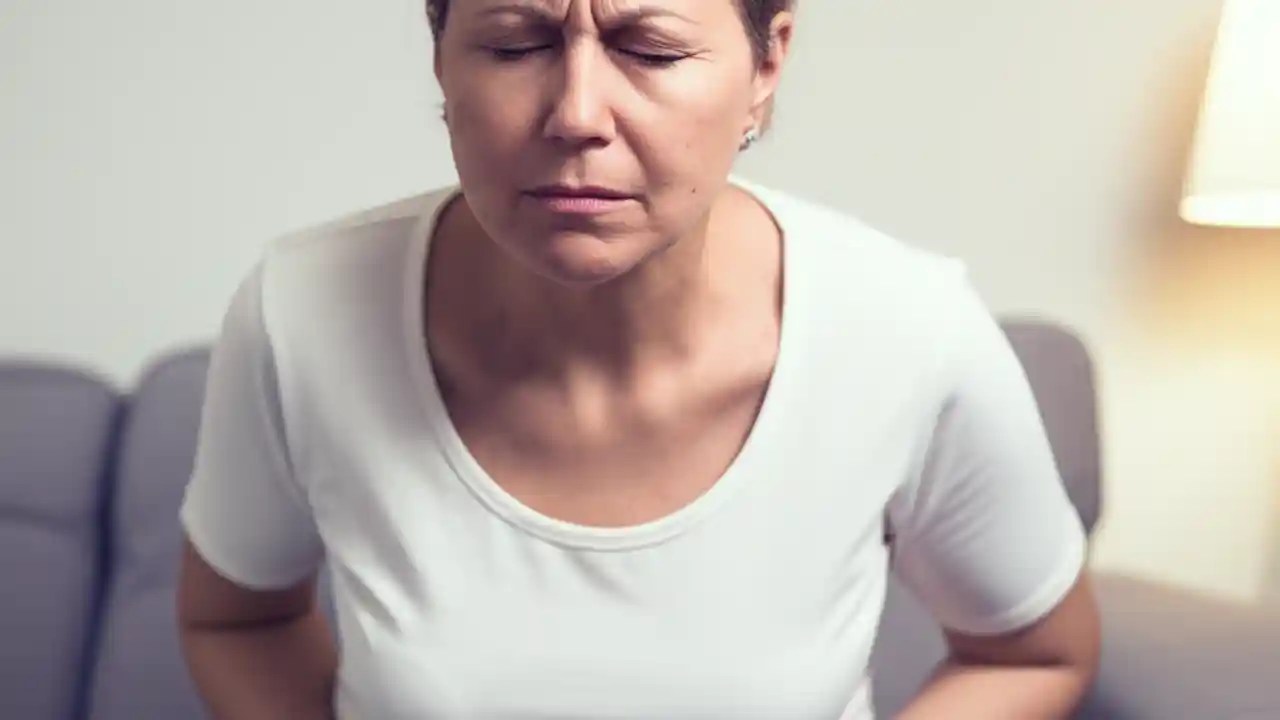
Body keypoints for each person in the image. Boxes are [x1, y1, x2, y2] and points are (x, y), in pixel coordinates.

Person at [176, 1, 1100, 718]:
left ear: (766, 64)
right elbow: (234, 620)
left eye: (650, 49)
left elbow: (1035, 650)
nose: (578, 115)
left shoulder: (909, 331)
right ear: (440, 57)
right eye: (513, 44)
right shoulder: (302, 312)